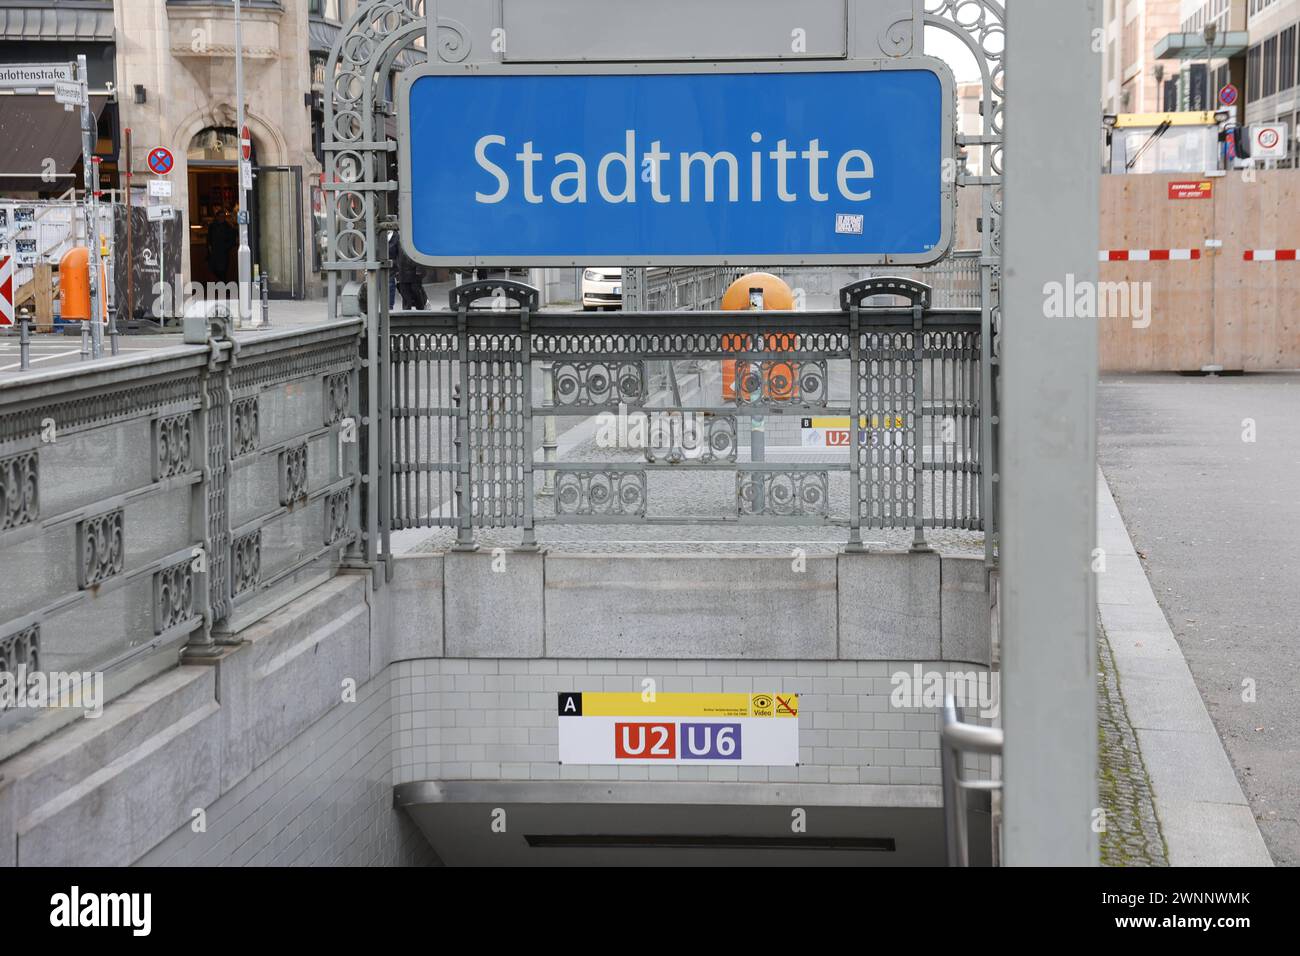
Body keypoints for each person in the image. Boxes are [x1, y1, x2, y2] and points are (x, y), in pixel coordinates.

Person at [394, 233, 428, 310]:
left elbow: (421, 253)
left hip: (414, 270)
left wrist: (419, 269)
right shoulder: (398, 238)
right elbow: (395, 254)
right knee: (404, 292)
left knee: (415, 290)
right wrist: (396, 270)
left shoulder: (417, 237)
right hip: (402, 270)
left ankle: (421, 308)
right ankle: (407, 309)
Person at [206, 213, 237, 282]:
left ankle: (223, 285)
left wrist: (226, 248)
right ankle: (220, 285)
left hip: (223, 252)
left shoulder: (228, 226)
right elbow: (209, 238)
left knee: (223, 270)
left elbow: (232, 240)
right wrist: (209, 247)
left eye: (223, 216)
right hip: (214, 252)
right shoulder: (212, 226)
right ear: (217, 217)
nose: (221, 218)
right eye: (220, 216)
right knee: (213, 269)